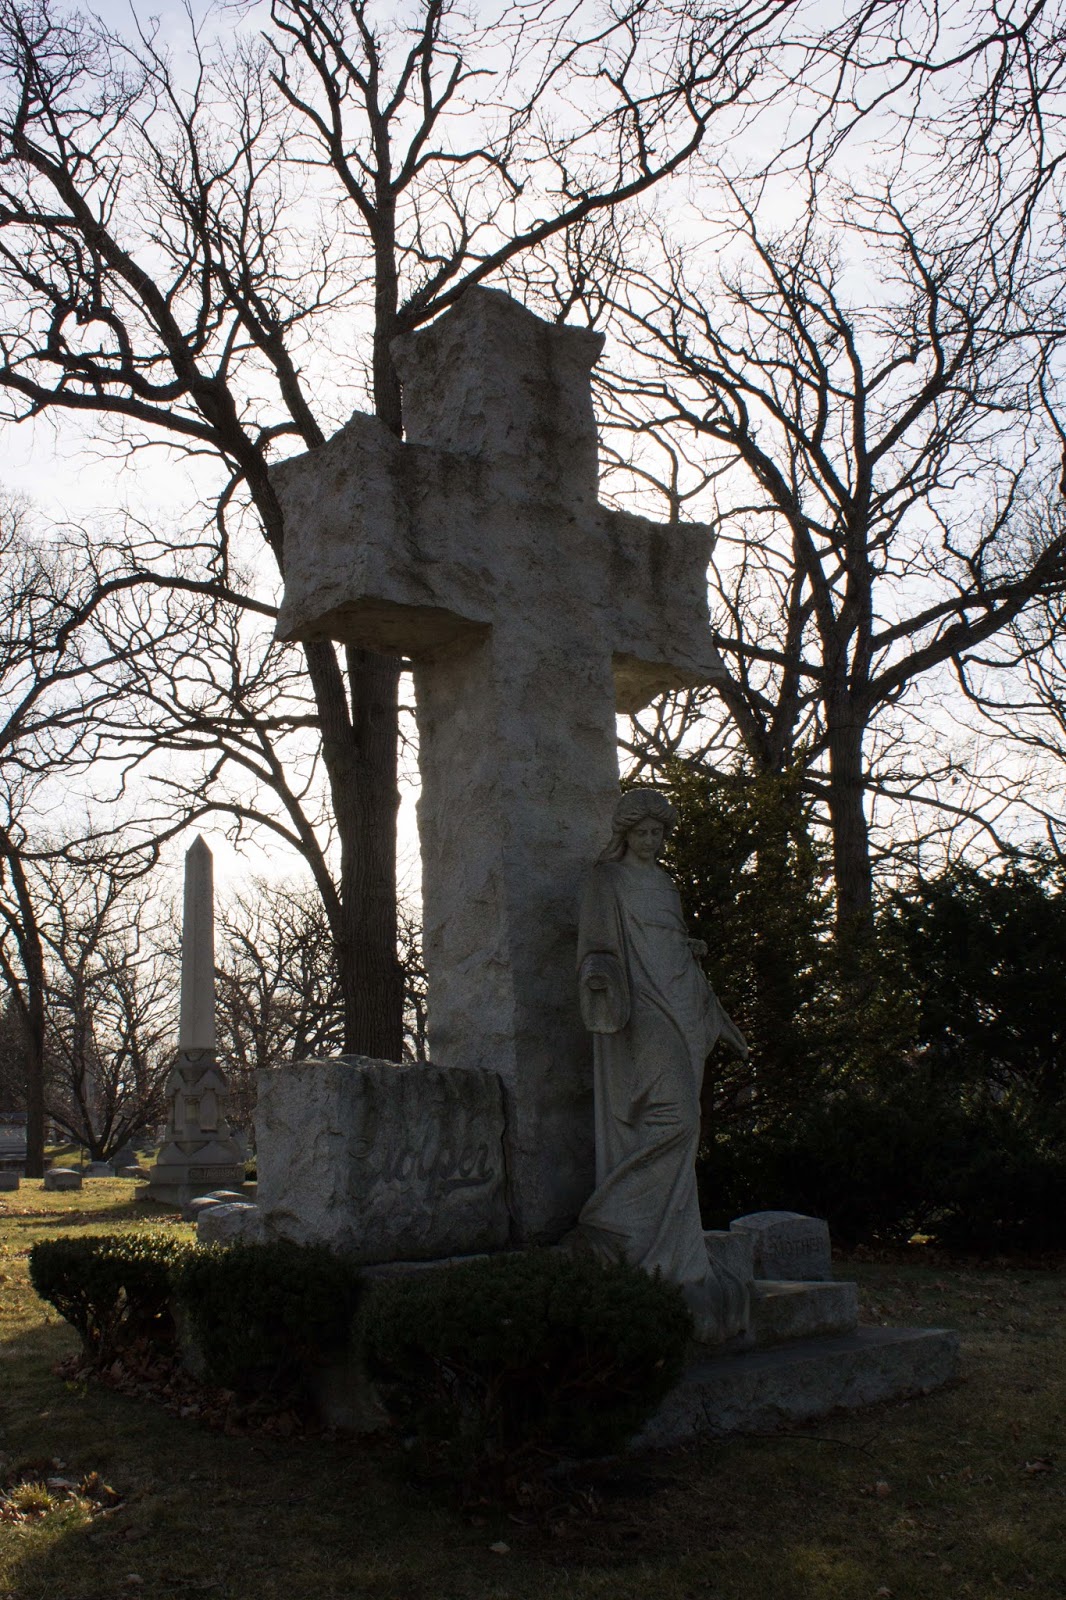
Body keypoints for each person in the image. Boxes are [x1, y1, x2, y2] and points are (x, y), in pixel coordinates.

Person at [573, 788, 750, 1344]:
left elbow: (669, 943)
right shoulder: (606, 881)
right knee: (674, 1119)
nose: (652, 842)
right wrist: (600, 976)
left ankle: (672, 1248)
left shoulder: (666, 884)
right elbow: (596, 947)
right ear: (625, 834)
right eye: (643, 833)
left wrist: (696, 971)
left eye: (658, 834)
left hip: (683, 1004)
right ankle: (614, 1221)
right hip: (643, 1011)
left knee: (682, 1123)